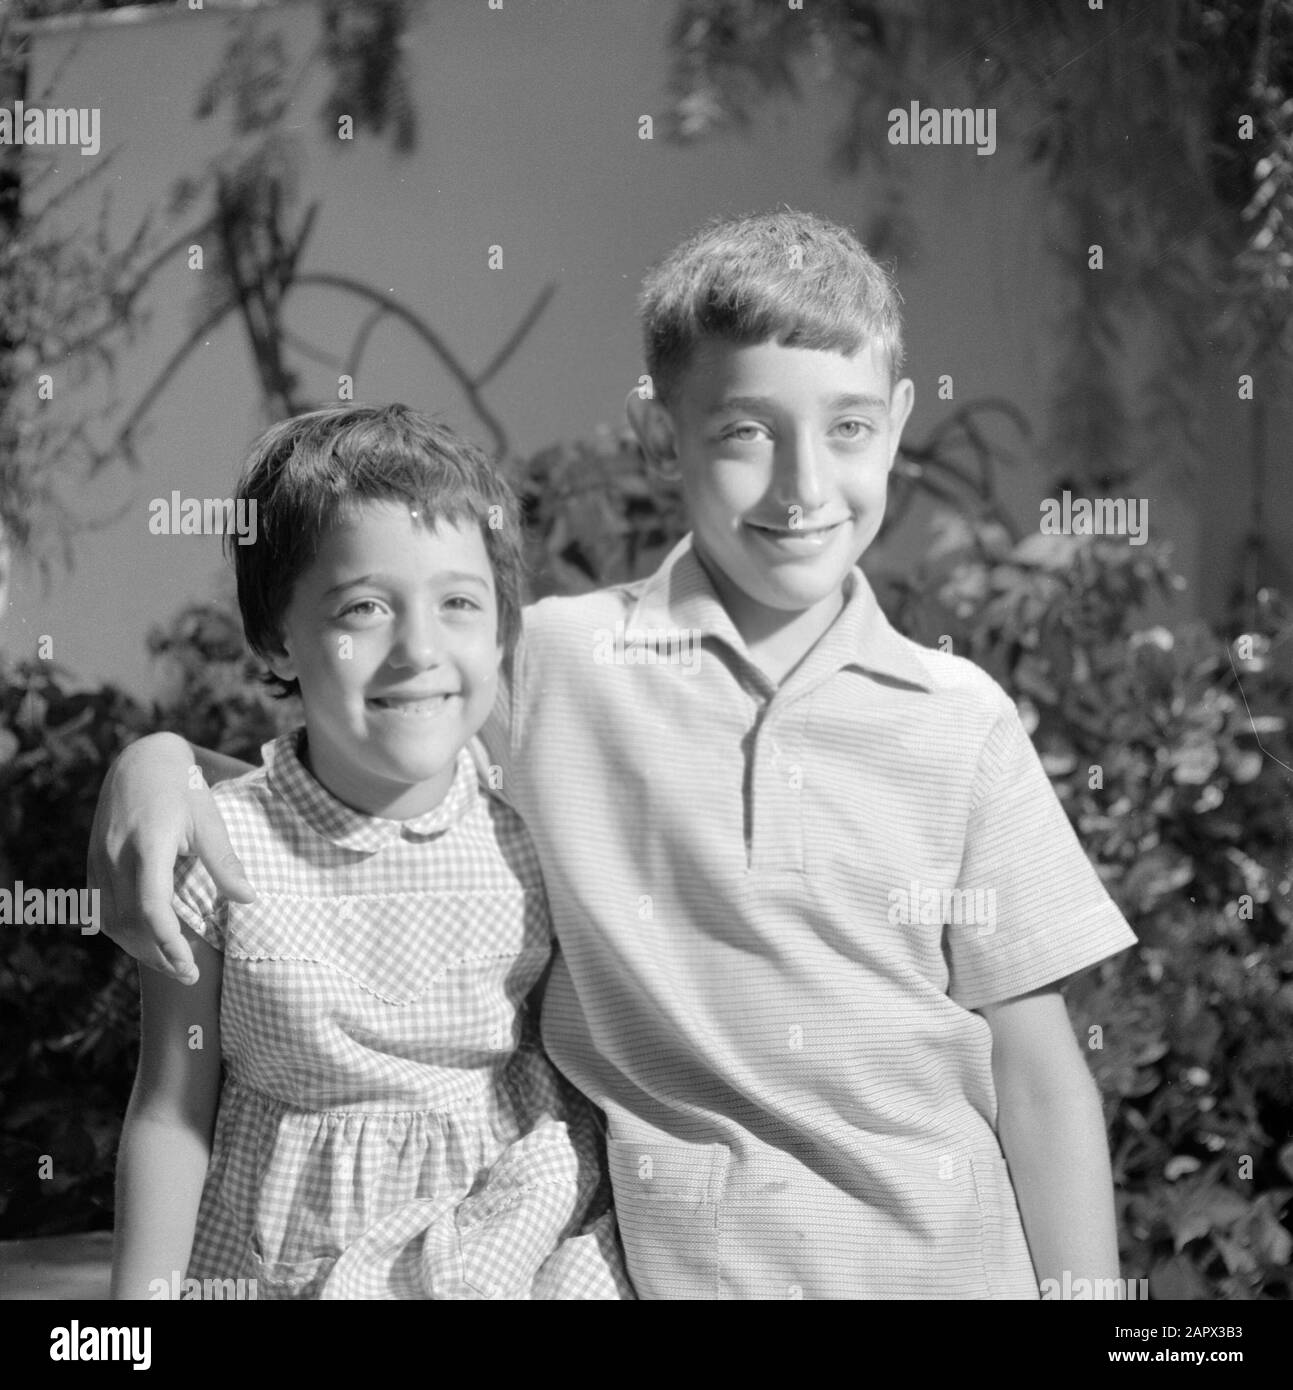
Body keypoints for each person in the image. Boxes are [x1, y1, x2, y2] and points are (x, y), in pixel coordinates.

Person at [94, 211, 1135, 1299]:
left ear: (900, 422)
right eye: (745, 432)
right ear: (660, 436)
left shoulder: (960, 717)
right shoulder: (558, 661)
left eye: (849, 427)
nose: (802, 486)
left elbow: (1037, 1073)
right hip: (686, 1273)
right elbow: (357, 783)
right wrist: (156, 760)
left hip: (956, 1271)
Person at [108, 405, 629, 1300]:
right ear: (277, 634)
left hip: (498, 1251)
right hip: (280, 1266)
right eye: (364, 609)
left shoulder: (534, 837)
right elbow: (171, 1111)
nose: (419, 650)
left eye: (460, 604)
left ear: (503, 627)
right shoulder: (216, 849)